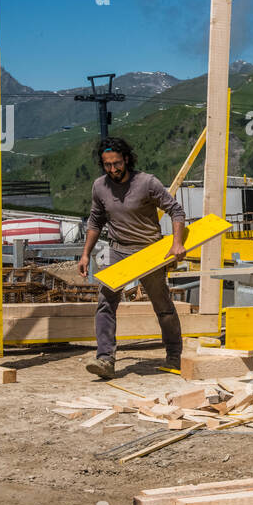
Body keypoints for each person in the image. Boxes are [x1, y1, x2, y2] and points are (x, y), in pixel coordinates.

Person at [77, 137, 187, 378]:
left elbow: (176, 211)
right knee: (106, 301)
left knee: (162, 305)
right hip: (118, 250)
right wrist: (85, 254)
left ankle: (174, 355)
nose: (113, 169)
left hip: (149, 250)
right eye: (107, 165)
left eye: (116, 163)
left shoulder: (147, 183)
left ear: (126, 159)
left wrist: (177, 243)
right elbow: (95, 220)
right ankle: (105, 359)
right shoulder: (99, 186)